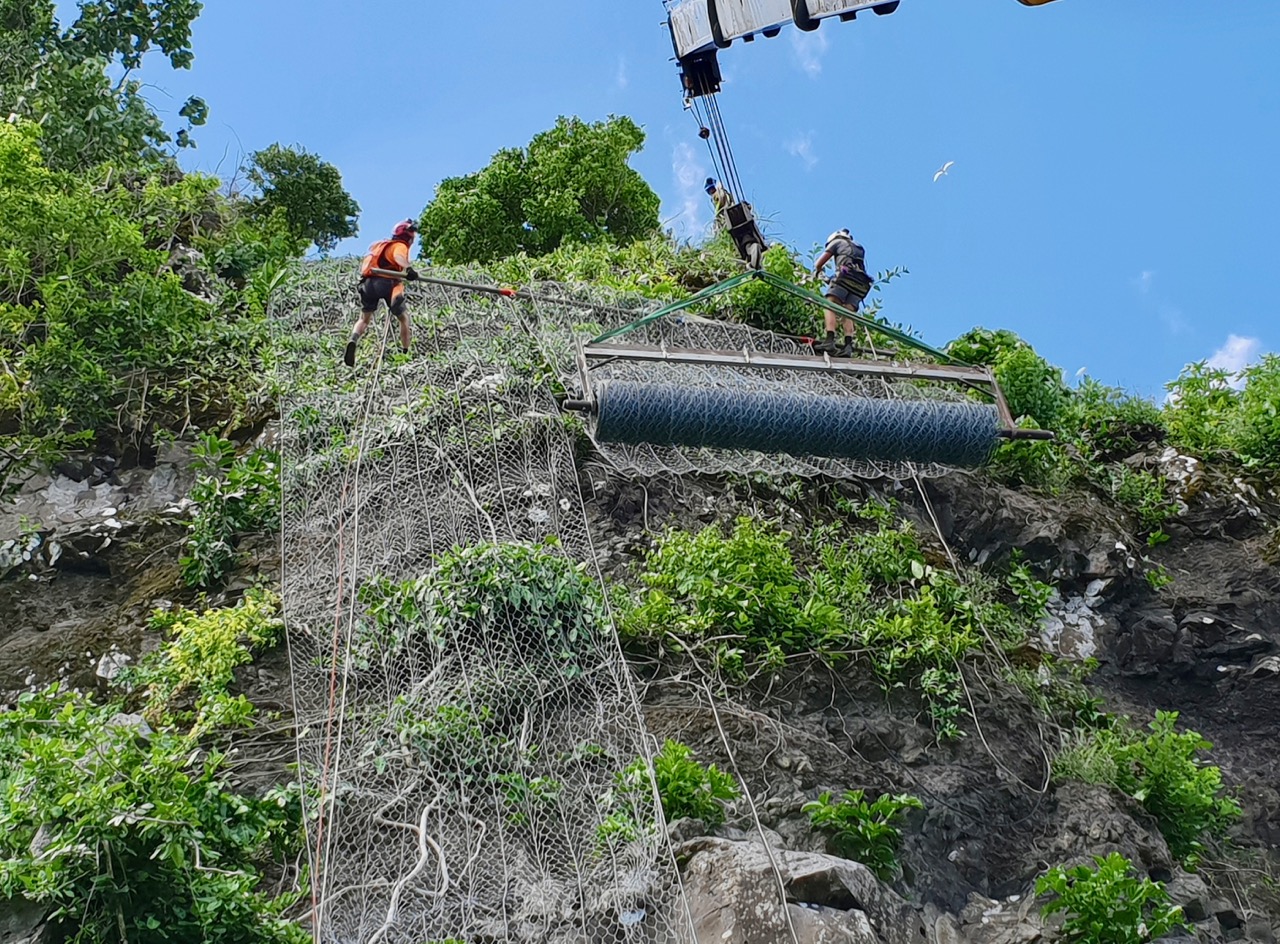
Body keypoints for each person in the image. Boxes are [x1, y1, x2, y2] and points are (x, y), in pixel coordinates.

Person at [344, 219, 421, 367]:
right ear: (408, 237)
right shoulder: (399, 246)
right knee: (403, 318)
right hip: (386, 283)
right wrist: (408, 269)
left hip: (368, 284)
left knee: (364, 319)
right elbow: (399, 257)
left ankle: (353, 338)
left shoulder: (381, 246)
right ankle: (405, 352)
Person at [811, 228, 873, 357]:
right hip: (861, 284)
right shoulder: (859, 248)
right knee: (848, 312)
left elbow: (818, 264)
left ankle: (829, 341)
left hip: (845, 277)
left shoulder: (837, 242)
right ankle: (848, 346)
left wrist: (818, 272)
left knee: (830, 304)